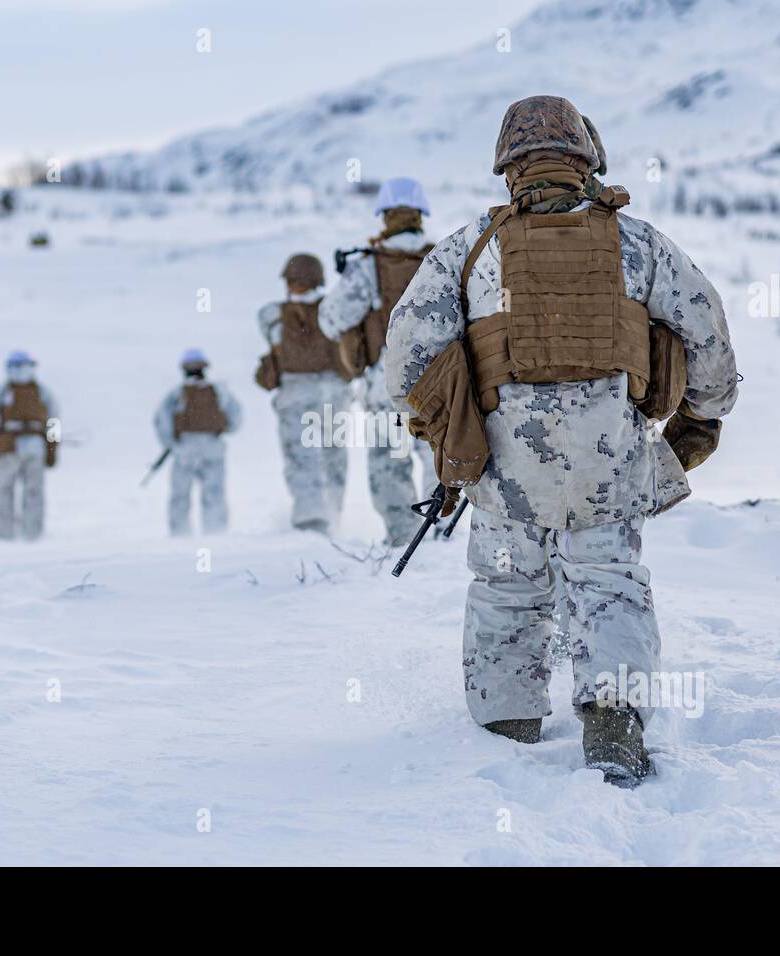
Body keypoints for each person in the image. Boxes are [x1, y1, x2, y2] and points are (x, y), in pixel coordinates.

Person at [384, 95, 738, 786]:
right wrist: (706, 414)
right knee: (609, 584)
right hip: (613, 461)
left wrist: (445, 432)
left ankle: (505, 730)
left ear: (508, 168)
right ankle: (614, 731)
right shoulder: (639, 243)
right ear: (584, 160)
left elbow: (403, 363)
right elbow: (709, 335)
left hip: (507, 468)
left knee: (508, 587)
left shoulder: (468, 250)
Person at [319, 177, 437, 545]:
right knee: (439, 452)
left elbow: (332, 318)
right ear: (420, 213)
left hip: (386, 383)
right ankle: (440, 528)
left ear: (384, 215)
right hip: (441, 378)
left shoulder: (367, 265)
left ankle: (404, 535)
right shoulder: (441, 257)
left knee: (389, 459)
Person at [254, 254, 351, 535]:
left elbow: (270, 336)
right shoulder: (335, 310)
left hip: (296, 394)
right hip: (334, 393)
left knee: (301, 457)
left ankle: (312, 518)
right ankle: (333, 515)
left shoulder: (272, 314)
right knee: (334, 457)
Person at [153, 349, 242, 535]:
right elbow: (236, 419)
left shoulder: (177, 394)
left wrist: (172, 444)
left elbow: (161, 421)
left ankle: (180, 535)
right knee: (214, 493)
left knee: (180, 496)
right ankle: (216, 532)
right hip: (213, 448)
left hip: (185, 450)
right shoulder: (219, 391)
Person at [0, 351, 60, 540]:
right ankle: (4, 533)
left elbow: (54, 419)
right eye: (16, 367)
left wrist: (53, 447)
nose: (21, 371)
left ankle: (33, 534)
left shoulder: (42, 392)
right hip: (8, 448)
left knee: (34, 490)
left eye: (24, 366)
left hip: (35, 447)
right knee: (4, 489)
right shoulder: (0, 393)